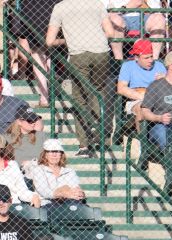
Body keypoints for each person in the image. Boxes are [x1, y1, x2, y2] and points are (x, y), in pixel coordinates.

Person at [45, 0, 113, 156]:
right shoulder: (97, 4)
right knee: (98, 91)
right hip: (101, 52)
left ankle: (84, 145)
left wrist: (66, 40)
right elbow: (110, 33)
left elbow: (49, 41)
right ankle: (101, 135)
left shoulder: (60, 7)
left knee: (79, 98)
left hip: (78, 54)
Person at [31, 138, 85, 207]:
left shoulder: (69, 171)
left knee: (76, 204)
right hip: (47, 203)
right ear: (45, 154)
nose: (54, 155)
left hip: (68, 201)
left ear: (61, 154)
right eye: (51, 151)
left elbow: (75, 188)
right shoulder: (39, 170)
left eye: (57, 151)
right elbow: (44, 192)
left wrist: (79, 193)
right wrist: (63, 192)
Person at [1, 105, 44, 179]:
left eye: (34, 119)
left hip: (38, 175)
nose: (33, 123)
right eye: (29, 120)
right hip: (14, 176)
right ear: (19, 121)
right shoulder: (6, 138)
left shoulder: (41, 136)